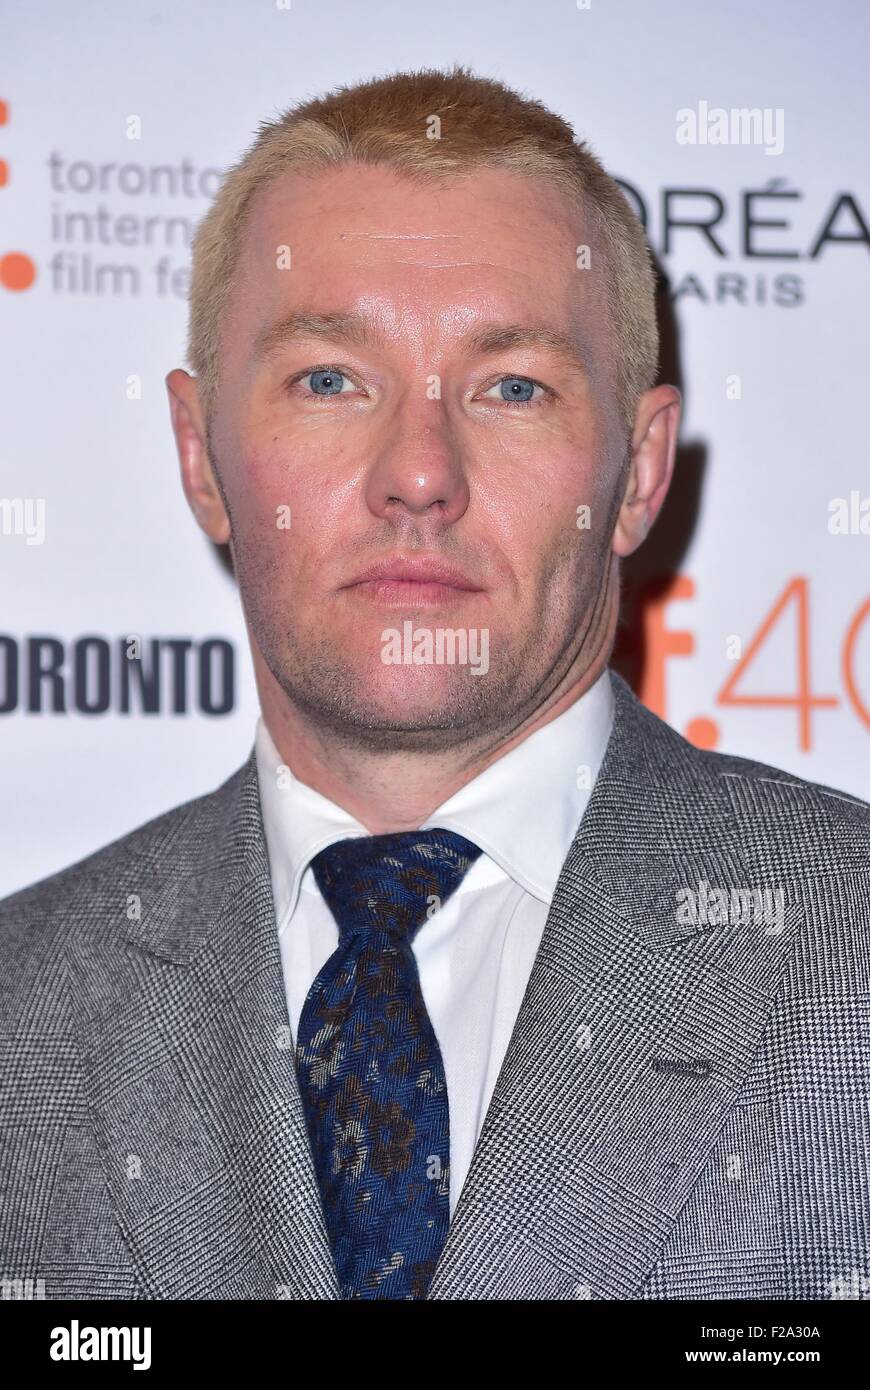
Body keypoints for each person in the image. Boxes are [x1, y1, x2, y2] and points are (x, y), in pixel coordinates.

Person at [1, 66, 867, 1302]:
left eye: (512, 387)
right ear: (200, 457)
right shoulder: (19, 1011)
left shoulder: (852, 959)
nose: (418, 474)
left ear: (637, 474)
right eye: (329, 380)